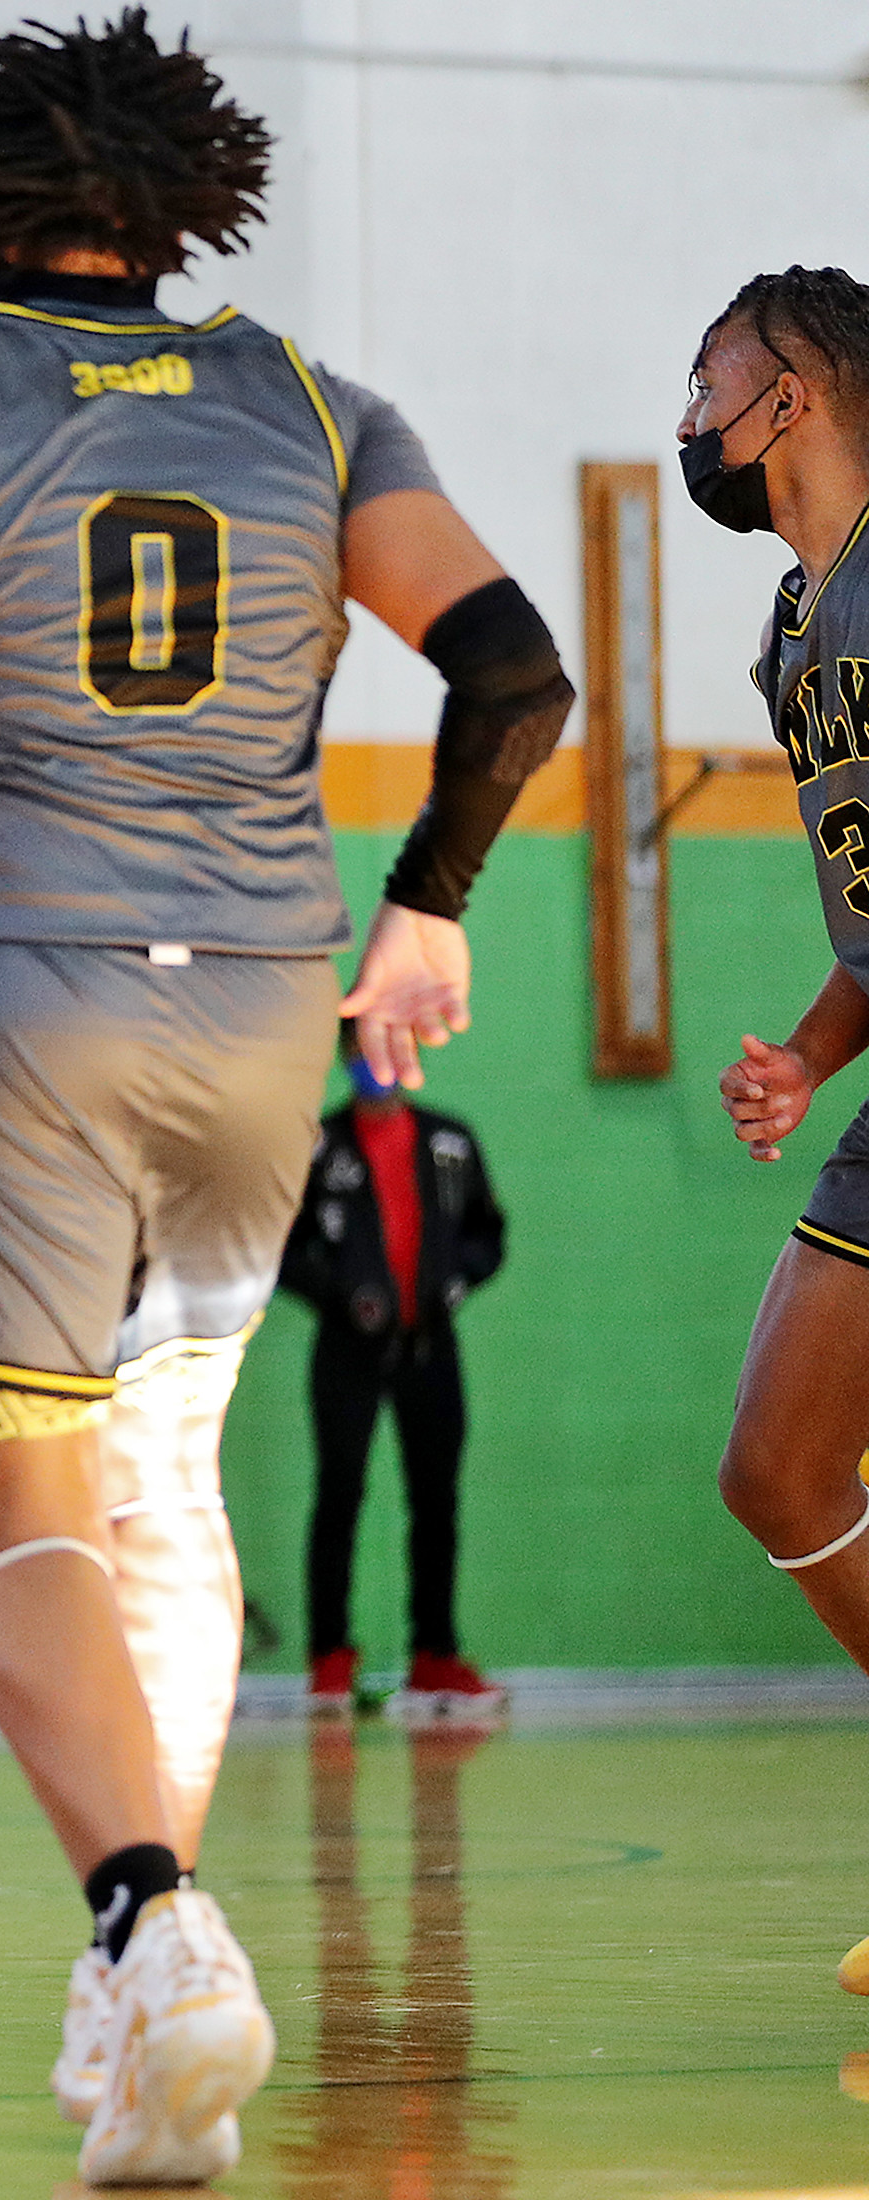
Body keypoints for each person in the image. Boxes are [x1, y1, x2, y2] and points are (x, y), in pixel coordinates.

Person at [0, 11, 572, 2183]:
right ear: (186, 193)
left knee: (24, 1518)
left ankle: (147, 1911)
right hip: (265, 1014)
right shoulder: (314, 398)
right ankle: (142, 2006)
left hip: (22, 995)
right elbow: (514, 670)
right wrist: (432, 901)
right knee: (173, 1490)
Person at [693, 265, 869, 1995]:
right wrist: (814, 1055)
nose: (692, 423)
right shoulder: (793, 634)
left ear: (793, 396)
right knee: (778, 1465)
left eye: (708, 384)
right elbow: (865, 933)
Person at [279, 1040, 507, 1717]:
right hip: (348, 1350)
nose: (375, 1065)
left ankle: (435, 1655)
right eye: (361, 1051)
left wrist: (455, 1283)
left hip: (432, 1348)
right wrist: (342, 1294)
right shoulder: (319, 1146)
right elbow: (284, 1248)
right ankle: (329, 1658)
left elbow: (488, 1236)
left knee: (435, 1501)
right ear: (346, 1055)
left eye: (388, 1049)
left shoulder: (450, 1142)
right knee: (340, 1494)